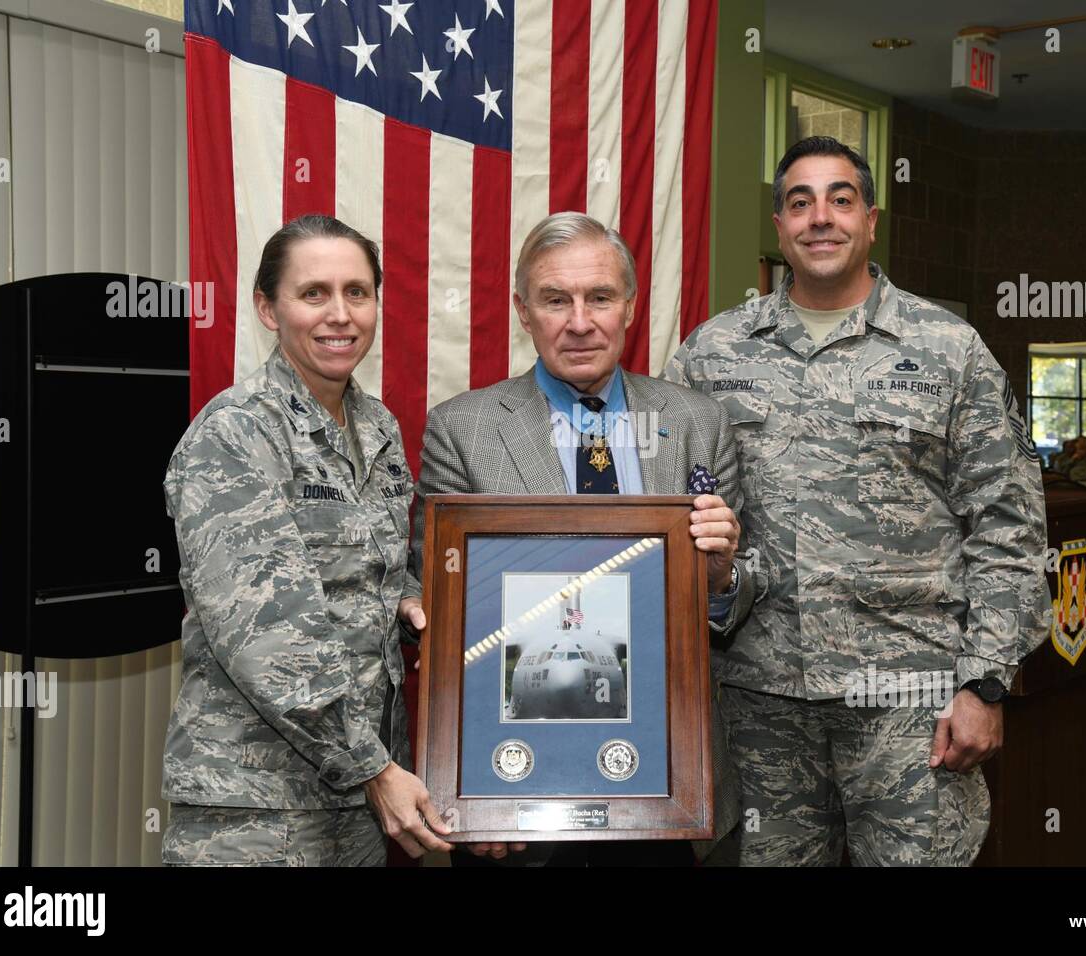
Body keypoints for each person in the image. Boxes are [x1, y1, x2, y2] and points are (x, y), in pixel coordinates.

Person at [665, 136, 1050, 866]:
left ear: (871, 219)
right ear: (777, 225)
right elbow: (675, 514)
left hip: (911, 702)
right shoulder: (712, 353)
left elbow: (1009, 525)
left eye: (840, 199)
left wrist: (987, 683)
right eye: (799, 202)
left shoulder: (947, 348)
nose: (821, 218)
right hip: (759, 701)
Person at [407, 211, 754, 866]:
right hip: (512, 790)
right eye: (554, 299)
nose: (579, 320)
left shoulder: (697, 423)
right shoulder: (463, 430)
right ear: (523, 311)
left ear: (628, 305)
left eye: (599, 296)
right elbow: (440, 610)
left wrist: (722, 573)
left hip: (670, 784)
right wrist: (471, 786)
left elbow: (741, 595)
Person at [160, 214, 452, 865]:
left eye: (358, 292)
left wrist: (412, 601)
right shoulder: (235, 435)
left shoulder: (375, 426)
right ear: (268, 307)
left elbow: (372, 567)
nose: (340, 314)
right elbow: (268, 630)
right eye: (313, 293)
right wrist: (376, 768)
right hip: (256, 805)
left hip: (355, 800)